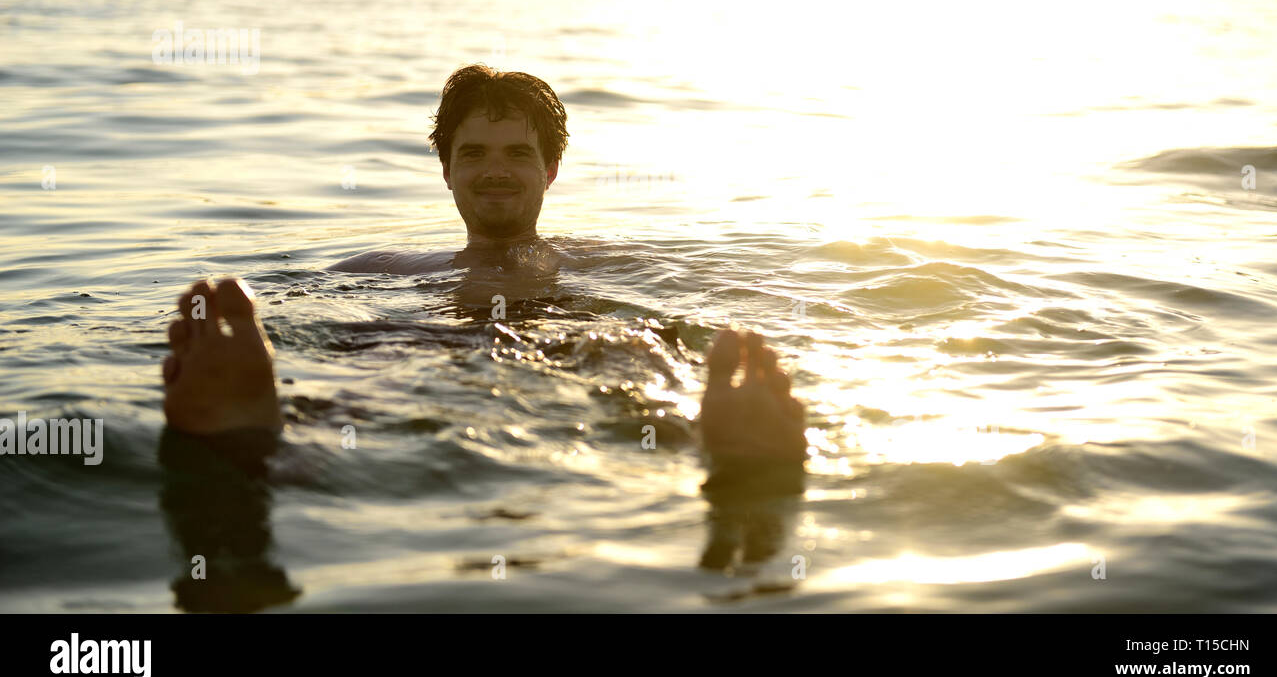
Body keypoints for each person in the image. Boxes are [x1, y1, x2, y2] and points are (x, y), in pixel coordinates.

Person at [160, 64, 807, 466]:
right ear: (446, 171)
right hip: (433, 347)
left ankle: (715, 435)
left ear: (551, 170)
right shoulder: (385, 269)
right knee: (374, 365)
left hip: (569, 345)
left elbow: (706, 309)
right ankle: (255, 421)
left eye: (517, 154)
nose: (494, 169)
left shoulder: (610, 262)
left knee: (633, 344)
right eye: (473, 153)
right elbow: (296, 303)